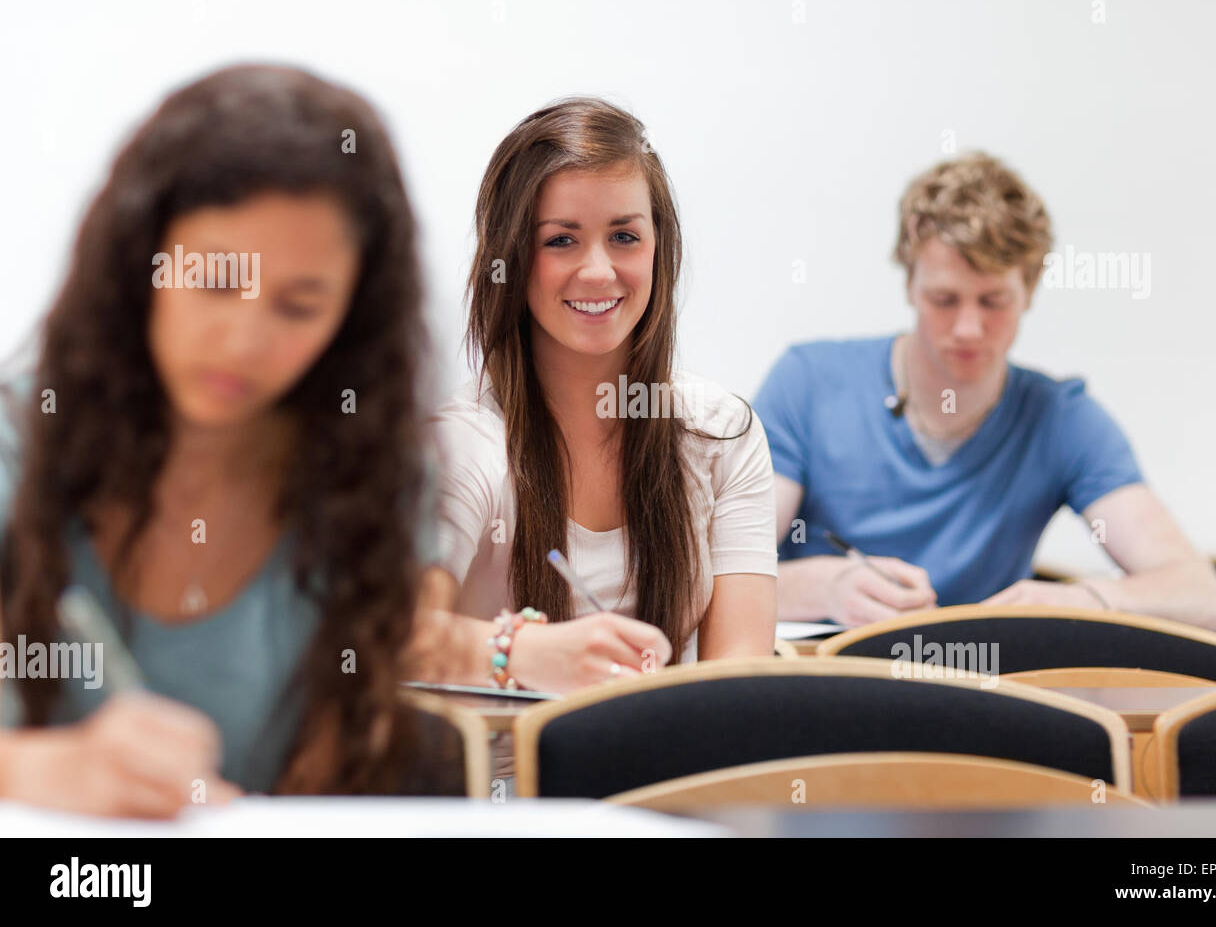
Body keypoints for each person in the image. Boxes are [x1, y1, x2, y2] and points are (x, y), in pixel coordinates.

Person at [0, 64, 454, 818]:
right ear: (141, 261)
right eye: (213, 281)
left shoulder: (377, 480)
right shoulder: (17, 441)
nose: (243, 343)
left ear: (353, 310)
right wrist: (31, 770)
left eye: (299, 305)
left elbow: (328, 794)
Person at [752, 152, 1216, 631]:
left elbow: (1200, 597)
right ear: (910, 284)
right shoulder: (808, 383)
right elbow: (717, 578)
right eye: (944, 300)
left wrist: (1084, 600)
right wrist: (825, 588)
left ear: (1029, 292)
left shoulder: (1061, 419)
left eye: (993, 301)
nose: (968, 327)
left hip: (982, 697)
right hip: (824, 686)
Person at [409, 98, 777, 698]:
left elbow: (739, 674)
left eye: (625, 236)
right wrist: (522, 652)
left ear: (661, 247)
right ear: (512, 259)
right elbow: (384, 636)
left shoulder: (719, 431)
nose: (600, 272)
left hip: (662, 779)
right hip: (499, 786)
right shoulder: (462, 440)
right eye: (561, 241)